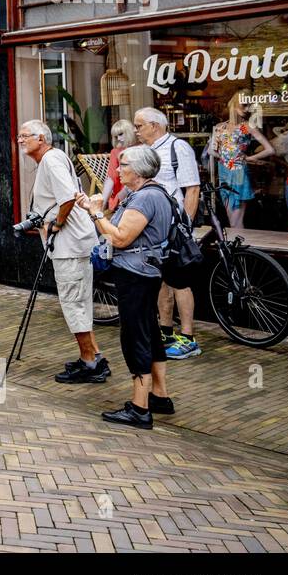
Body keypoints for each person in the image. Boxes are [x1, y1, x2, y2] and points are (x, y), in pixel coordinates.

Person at [75, 145, 175, 430]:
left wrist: (96, 213)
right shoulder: (153, 193)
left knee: (135, 336)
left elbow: (120, 239)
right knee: (150, 332)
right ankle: (160, 396)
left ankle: (139, 408)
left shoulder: (144, 199)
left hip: (135, 273)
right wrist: (93, 209)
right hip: (147, 272)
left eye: (123, 165)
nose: (118, 170)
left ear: (140, 170)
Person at [17, 122, 106, 384]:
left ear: (41, 138)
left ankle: (90, 363)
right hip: (74, 243)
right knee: (77, 302)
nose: (20, 140)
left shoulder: (51, 161)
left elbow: (67, 197)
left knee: (73, 304)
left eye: (25, 136)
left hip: (70, 245)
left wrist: (57, 223)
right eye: (19, 136)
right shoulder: (53, 158)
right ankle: (94, 356)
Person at [133, 107, 202, 361]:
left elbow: (192, 189)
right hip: (154, 227)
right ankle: (166, 331)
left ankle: (188, 338)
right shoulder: (148, 152)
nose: (136, 131)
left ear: (155, 125)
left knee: (179, 281)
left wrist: (185, 227)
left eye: (139, 126)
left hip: (175, 227)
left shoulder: (178, 148)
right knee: (161, 280)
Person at [208, 91, 274, 229]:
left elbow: (270, 149)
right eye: (244, 105)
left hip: (238, 172)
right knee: (231, 218)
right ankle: (238, 248)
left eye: (248, 106)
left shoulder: (247, 127)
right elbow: (211, 151)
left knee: (235, 221)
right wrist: (225, 157)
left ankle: (239, 249)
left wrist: (249, 158)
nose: (246, 109)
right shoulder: (220, 127)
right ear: (234, 104)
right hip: (224, 173)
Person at [105, 118, 138, 211]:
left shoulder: (141, 148)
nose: (119, 139)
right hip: (123, 192)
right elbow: (112, 177)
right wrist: (103, 202)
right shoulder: (115, 152)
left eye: (121, 134)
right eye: (116, 137)